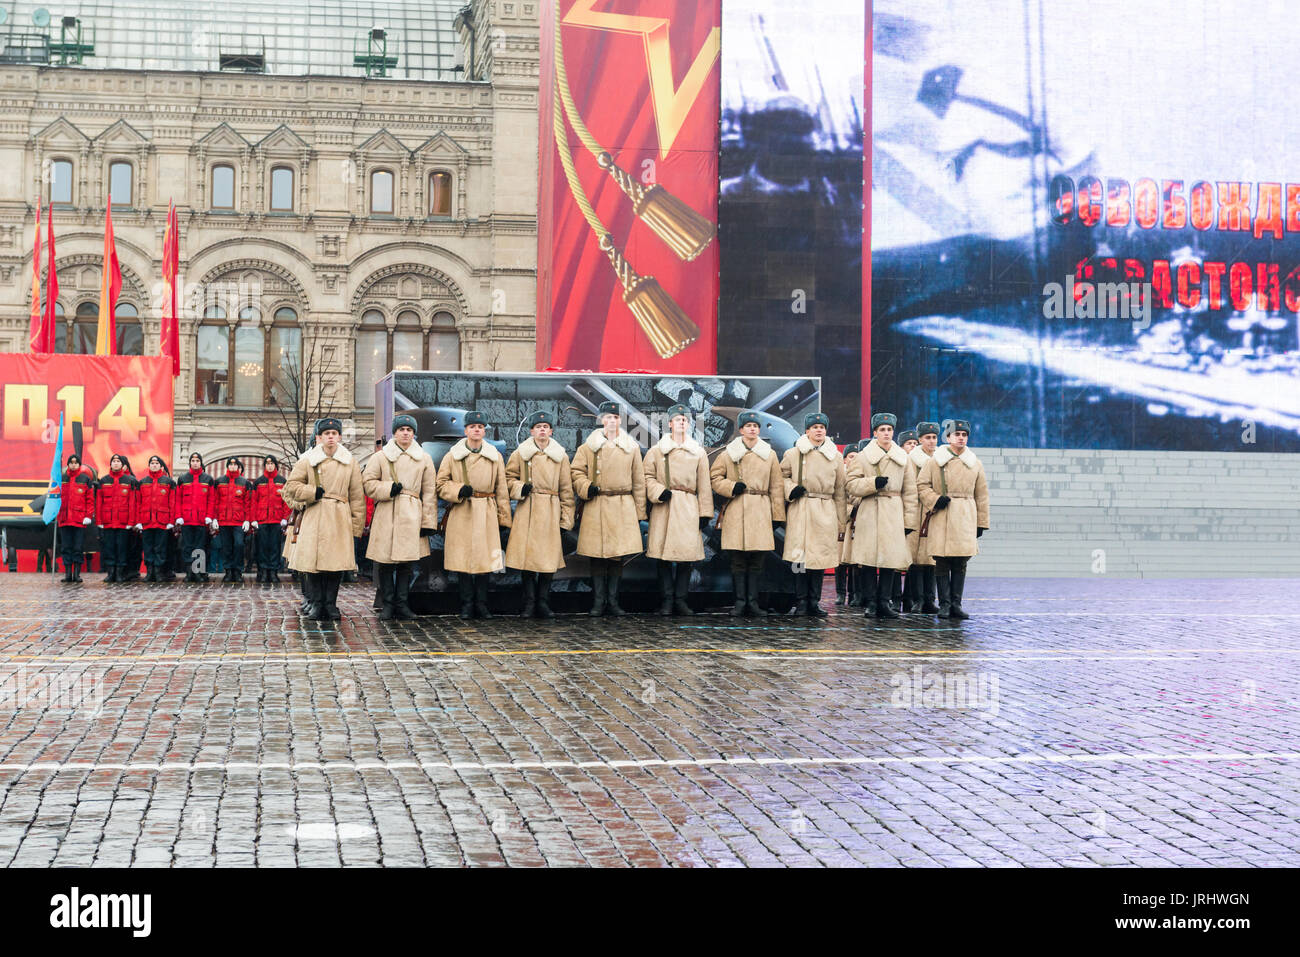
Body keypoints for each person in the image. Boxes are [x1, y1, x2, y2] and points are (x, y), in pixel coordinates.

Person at [283, 418, 366, 621]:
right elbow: (292, 485)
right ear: (319, 437)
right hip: (315, 514)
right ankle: (316, 603)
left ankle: (330, 604)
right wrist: (312, 492)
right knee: (312, 563)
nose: (330, 437)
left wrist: (356, 526)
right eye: (326, 433)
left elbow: (356, 496)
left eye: (334, 433)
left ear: (339, 436)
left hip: (339, 517)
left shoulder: (349, 461)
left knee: (335, 565)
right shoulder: (307, 460)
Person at [570, 401, 646, 616]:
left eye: (615, 417)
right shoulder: (588, 447)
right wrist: (586, 487)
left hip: (622, 504)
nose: (611, 421)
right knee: (597, 555)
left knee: (617, 556)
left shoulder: (631, 448)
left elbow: (639, 481)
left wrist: (639, 512)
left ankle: (613, 602)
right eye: (607, 417)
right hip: (597, 503)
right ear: (601, 420)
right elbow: (576, 472)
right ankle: (597, 602)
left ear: (620, 421)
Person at [437, 411, 511, 620]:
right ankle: (467, 603)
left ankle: (482, 603)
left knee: (485, 561)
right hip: (463, 511)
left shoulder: (494, 455)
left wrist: (503, 518)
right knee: (463, 561)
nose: (476, 430)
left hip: (486, 510)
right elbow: (440, 483)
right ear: (465, 430)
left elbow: (502, 488)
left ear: (484, 430)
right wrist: (458, 490)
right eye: (472, 427)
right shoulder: (453, 455)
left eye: (480, 426)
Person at [711, 409, 785, 617]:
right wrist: (730, 486)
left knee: (757, 561)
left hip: (761, 508)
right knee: (737, 560)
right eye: (748, 426)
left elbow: (777, 487)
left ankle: (753, 602)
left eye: (755, 426)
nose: (752, 429)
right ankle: (739, 602)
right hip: (737, 508)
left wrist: (777, 516)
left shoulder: (769, 455)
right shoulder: (728, 454)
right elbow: (715, 478)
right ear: (741, 429)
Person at [364, 414, 438, 620]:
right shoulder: (380, 457)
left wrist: (428, 522)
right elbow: (368, 483)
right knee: (386, 563)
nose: (405, 433)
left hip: (412, 513)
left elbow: (430, 492)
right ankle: (388, 604)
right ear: (394, 433)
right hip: (387, 512)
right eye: (401, 429)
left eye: (409, 430)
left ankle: (402, 603)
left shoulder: (424, 458)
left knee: (406, 564)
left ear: (414, 433)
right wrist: (387, 488)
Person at [845, 414, 919, 619]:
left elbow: (911, 491)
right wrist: (872, 483)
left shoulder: (903, 458)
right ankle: (870, 602)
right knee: (868, 559)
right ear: (875, 433)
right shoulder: (862, 457)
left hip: (894, 511)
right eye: (882, 430)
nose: (886, 433)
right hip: (870, 508)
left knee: (890, 559)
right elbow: (850, 485)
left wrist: (909, 520)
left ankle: (884, 601)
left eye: (889, 429)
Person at [916, 419, 990, 619]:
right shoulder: (935, 462)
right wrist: (934, 499)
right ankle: (945, 604)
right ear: (948, 437)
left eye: (964, 434)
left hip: (966, 514)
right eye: (957, 434)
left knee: (961, 561)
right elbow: (922, 485)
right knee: (942, 560)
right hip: (943, 513)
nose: (961, 438)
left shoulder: (975, 463)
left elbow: (981, 494)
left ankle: (956, 603)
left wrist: (981, 523)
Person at [643, 404, 713, 617]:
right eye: (677, 419)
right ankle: (666, 601)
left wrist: (705, 513)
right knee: (663, 558)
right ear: (670, 423)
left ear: (689, 424)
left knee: (685, 558)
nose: (681, 423)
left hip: (688, 506)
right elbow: (646, 477)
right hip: (665, 505)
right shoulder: (657, 451)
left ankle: (681, 600)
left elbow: (704, 484)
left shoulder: (698, 452)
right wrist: (658, 491)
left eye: (685, 419)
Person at [505, 411, 576, 618]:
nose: (542, 430)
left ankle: (543, 602)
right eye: (538, 427)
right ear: (531, 431)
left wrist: (566, 519)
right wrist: (520, 488)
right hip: (528, 508)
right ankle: (529, 602)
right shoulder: (520, 454)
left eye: (546, 427)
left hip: (551, 510)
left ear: (551, 431)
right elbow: (507, 479)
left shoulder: (560, 456)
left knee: (547, 560)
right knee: (528, 560)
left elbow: (566, 489)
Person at [780, 412, 848, 616]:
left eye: (822, 427)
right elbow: (781, 478)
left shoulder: (835, 456)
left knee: (819, 559)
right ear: (807, 431)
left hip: (824, 508)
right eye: (815, 427)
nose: (819, 430)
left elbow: (840, 491)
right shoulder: (793, 454)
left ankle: (813, 600)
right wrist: (791, 488)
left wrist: (840, 521)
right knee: (798, 559)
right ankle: (800, 600)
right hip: (801, 507)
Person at [903, 422, 941, 613]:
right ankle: (916, 599)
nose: (931, 441)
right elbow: (909, 485)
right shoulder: (911, 460)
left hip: (935, 511)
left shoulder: (941, 459)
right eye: (927, 437)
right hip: (917, 510)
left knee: (932, 558)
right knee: (916, 557)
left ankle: (929, 599)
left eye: (934, 437)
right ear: (920, 440)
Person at [95, 453, 138, 583]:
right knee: (109, 548)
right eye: (113, 461)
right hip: (107, 522)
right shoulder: (103, 480)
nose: (116, 463)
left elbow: (132, 503)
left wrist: (131, 521)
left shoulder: (129, 481)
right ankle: (110, 573)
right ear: (110, 464)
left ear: (122, 465)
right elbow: (99, 503)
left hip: (123, 522)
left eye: (118, 461)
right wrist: (99, 521)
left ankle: (119, 574)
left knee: (122, 548)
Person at [175, 452, 215, 582]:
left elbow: (211, 500)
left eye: (197, 460)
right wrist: (178, 516)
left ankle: (198, 572)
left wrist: (209, 516)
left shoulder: (208, 479)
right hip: (187, 519)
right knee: (187, 546)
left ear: (201, 463)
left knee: (200, 547)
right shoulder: (183, 478)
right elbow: (178, 500)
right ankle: (189, 572)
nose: (195, 462)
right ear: (190, 463)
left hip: (201, 520)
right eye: (193, 460)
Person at [56, 454, 95, 583]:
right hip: (64, 518)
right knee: (66, 547)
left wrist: (88, 516)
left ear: (79, 465)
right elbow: (55, 497)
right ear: (68, 464)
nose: (73, 464)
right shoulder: (61, 478)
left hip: (79, 519)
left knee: (78, 547)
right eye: (71, 462)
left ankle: (77, 574)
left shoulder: (85, 479)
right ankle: (67, 574)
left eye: (76, 462)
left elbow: (90, 500)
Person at [250, 455, 289, 583]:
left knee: (275, 547)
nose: (270, 465)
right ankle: (263, 571)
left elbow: (286, 501)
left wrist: (285, 518)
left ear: (276, 465)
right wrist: (253, 519)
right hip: (262, 520)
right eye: (267, 463)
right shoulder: (258, 481)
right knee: (262, 547)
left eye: (272, 463)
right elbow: (254, 502)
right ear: (264, 466)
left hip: (276, 520)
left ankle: (273, 572)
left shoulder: (282, 481)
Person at [137, 456, 176, 582]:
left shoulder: (168, 482)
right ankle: (150, 572)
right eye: (152, 463)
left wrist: (171, 521)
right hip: (146, 520)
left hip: (162, 521)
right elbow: (138, 502)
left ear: (161, 466)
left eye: (156, 463)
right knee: (148, 547)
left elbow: (172, 503)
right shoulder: (143, 482)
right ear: (149, 466)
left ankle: (159, 572)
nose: (154, 465)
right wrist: (138, 521)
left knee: (160, 547)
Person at [212, 457, 250, 584]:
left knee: (239, 545)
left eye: (235, 465)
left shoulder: (244, 482)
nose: (232, 467)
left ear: (238, 467)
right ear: (227, 467)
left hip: (238, 521)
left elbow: (247, 503)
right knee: (226, 547)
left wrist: (247, 520)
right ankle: (228, 571)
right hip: (223, 521)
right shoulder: (219, 482)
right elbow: (215, 502)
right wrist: (214, 518)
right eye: (230, 464)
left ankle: (238, 571)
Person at [837, 439, 864, 606]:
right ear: (845, 459)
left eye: (856, 456)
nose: (853, 459)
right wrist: (849, 510)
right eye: (851, 456)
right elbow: (839, 500)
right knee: (840, 560)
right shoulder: (841, 476)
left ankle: (855, 594)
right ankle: (840, 593)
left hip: (857, 522)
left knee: (855, 560)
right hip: (844, 521)